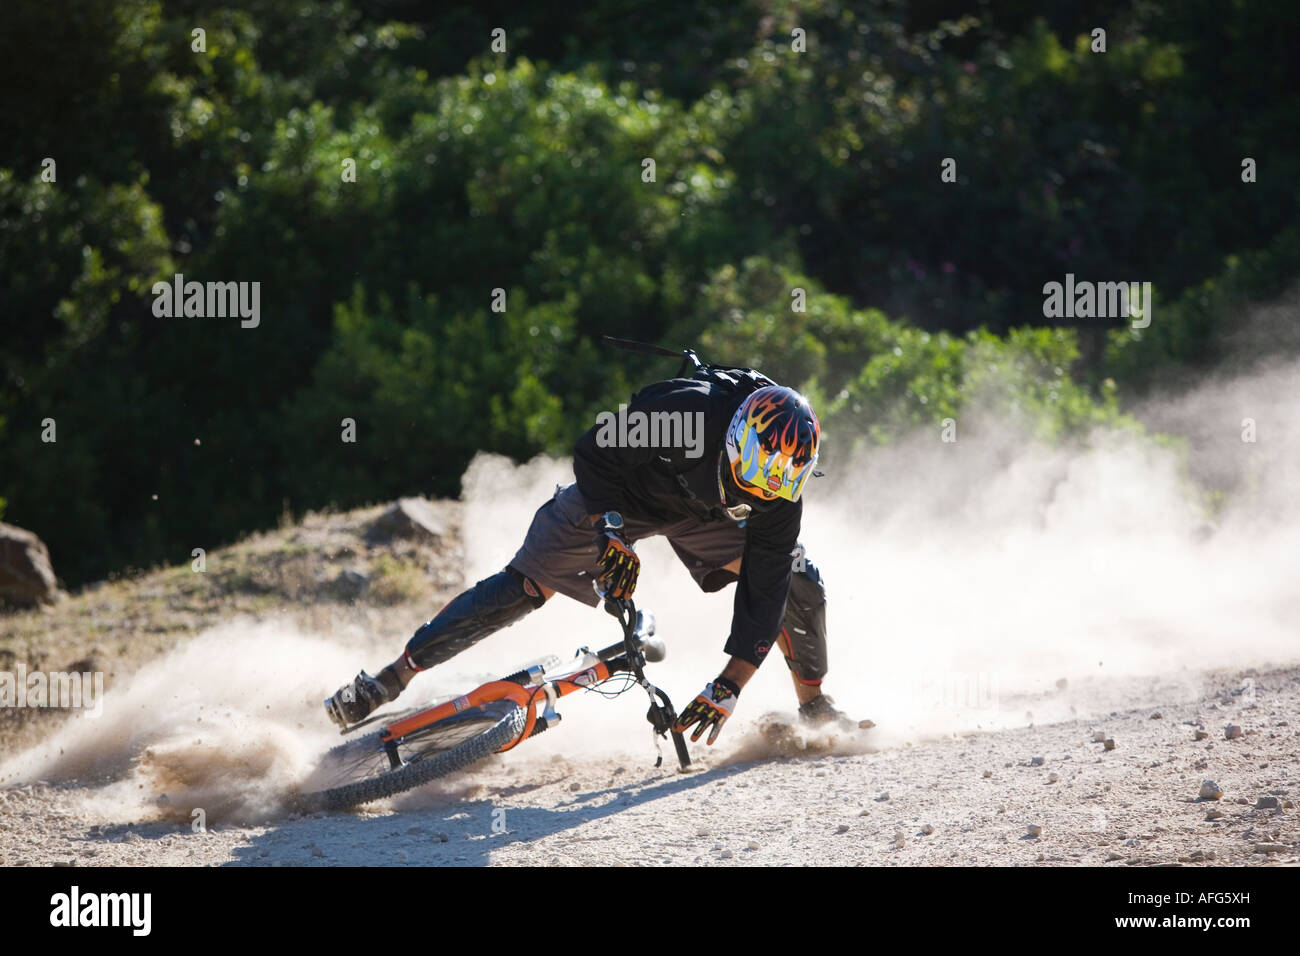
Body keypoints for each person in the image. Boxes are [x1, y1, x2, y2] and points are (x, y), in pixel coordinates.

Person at [325, 368, 854, 745]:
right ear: (737, 438)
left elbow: (765, 591)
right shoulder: (685, 415)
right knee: (522, 590)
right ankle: (391, 678)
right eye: (753, 478)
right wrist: (613, 530)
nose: (761, 494)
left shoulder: (777, 497)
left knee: (796, 579)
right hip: (618, 497)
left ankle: (816, 705)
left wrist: (729, 685)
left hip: (704, 517)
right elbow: (593, 450)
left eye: (775, 489)